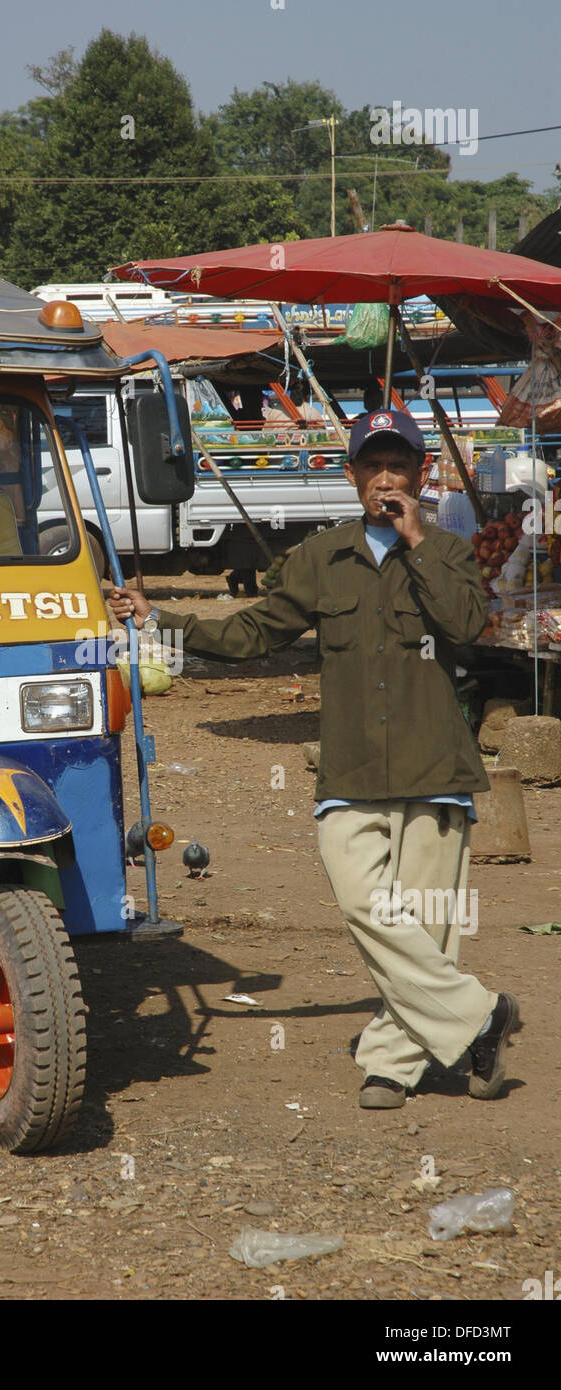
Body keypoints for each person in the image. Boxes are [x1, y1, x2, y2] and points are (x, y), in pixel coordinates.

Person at [110, 408, 520, 1110]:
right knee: (365, 906)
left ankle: (393, 1061)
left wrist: (417, 538)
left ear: (421, 476)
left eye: (399, 466)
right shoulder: (320, 557)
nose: (385, 479)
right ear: (352, 474)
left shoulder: (449, 553)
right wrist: (161, 621)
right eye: (373, 466)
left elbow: (461, 625)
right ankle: (481, 1015)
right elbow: (255, 631)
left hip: (434, 768)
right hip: (352, 771)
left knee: (423, 925)